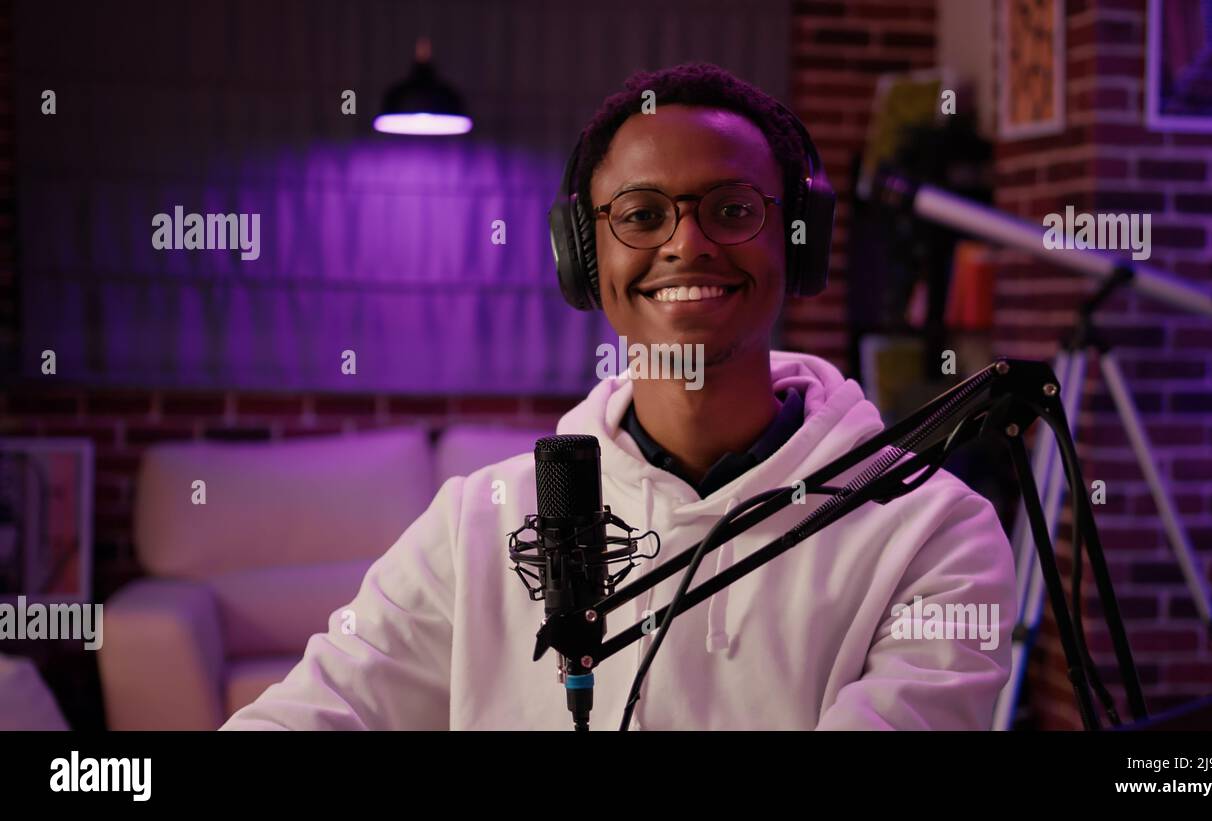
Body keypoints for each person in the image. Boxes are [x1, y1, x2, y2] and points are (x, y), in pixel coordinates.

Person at [223, 63, 1015, 731]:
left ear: (796, 242)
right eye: (640, 215)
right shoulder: (478, 521)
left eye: (733, 209)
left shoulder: (934, 534)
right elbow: (313, 711)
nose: (686, 243)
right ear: (583, 260)